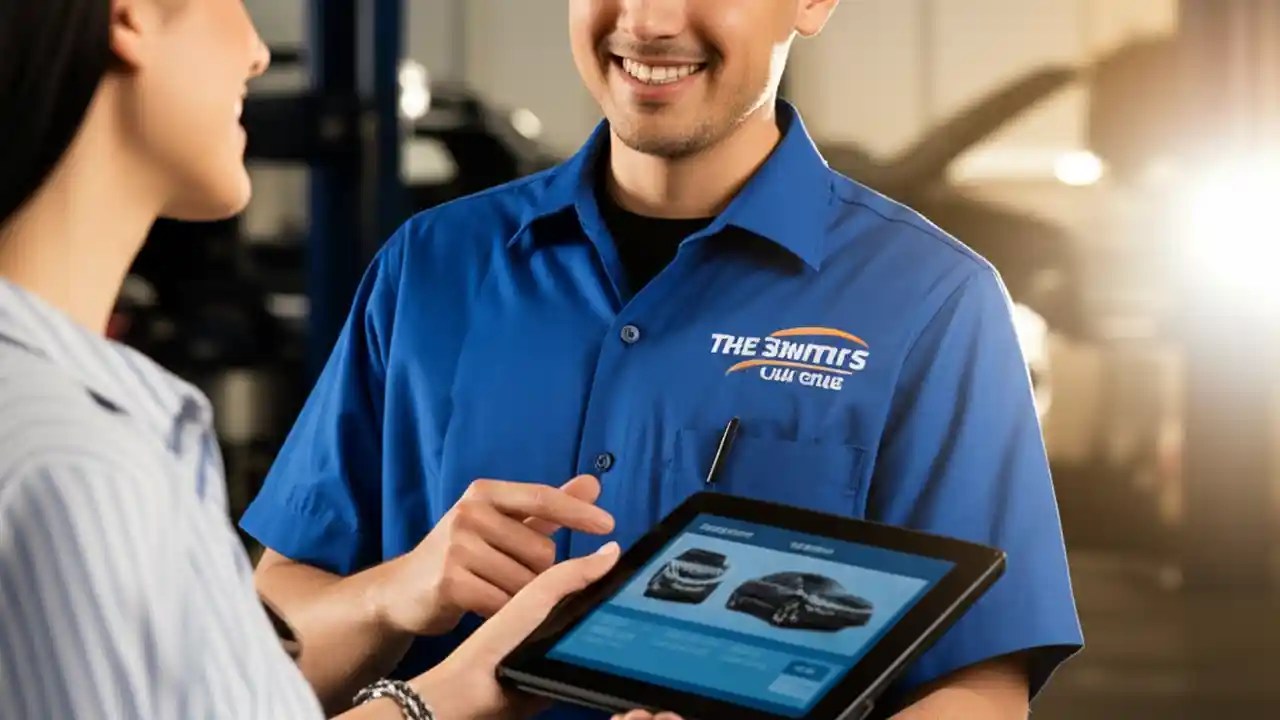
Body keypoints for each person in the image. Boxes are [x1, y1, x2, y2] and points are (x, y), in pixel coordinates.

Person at [243, 0, 1084, 718]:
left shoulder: (932, 303)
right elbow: (264, 654)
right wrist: (401, 589)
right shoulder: (429, 268)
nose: (647, 21)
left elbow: (977, 684)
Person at [0, 1, 659, 718]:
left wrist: (450, 681)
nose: (257, 52)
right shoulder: (73, 464)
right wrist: (436, 690)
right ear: (129, 16)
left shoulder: (100, 426)